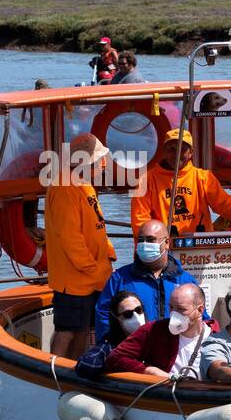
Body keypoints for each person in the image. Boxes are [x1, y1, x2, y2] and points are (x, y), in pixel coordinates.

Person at [45, 133, 116, 359]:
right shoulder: (65, 186)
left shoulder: (83, 184)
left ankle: (74, 369)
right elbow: (70, 238)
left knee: (82, 330)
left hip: (90, 277)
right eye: (100, 159)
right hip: (74, 280)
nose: (104, 164)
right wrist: (91, 268)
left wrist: (108, 255)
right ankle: (54, 374)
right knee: (67, 330)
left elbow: (96, 226)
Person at [131, 128, 231, 236]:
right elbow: (139, 220)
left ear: (191, 152)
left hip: (198, 252)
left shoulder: (203, 177)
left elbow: (223, 202)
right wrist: (155, 240)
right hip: (163, 250)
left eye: (182, 149)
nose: (176, 154)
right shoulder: (146, 180)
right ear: (164, 151)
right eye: (172, 149)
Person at [93, 219, 202, 342]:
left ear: (166, 243)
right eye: (140, 240)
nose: (144, 244)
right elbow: (103, 315)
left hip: (176, 352)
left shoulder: (186, 281)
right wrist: (115, 349)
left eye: (150, 240)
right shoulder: (119, 279)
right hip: (132, 352)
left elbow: (200, 317)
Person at [106, 284, 209, 379]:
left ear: (199, 310)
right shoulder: (154, 330)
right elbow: (115, 358)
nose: (174, 314)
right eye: (171, 307)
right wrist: (151, 371)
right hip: (164, 395)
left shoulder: (214, 336)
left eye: (181, 309)